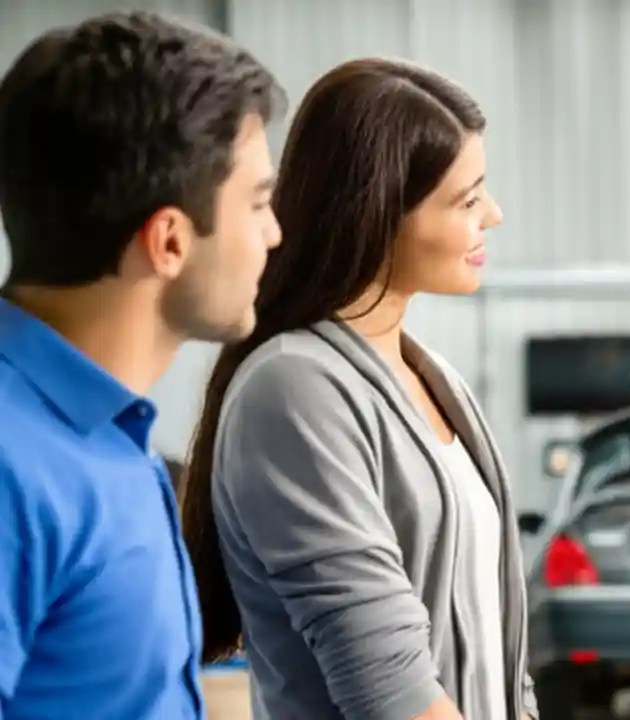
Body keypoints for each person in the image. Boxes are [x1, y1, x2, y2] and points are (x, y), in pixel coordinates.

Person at [181, 58, 537, 720]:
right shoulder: (294, 389)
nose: (493, 214)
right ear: (380, 214)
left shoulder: (436, 378)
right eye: (466, 199)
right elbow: (389, 688)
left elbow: (502, 657)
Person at [0, 10, 282, 720]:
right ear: (168, 241)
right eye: (258, 204)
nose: (275, 235)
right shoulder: (14, 462)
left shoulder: (109, 439)